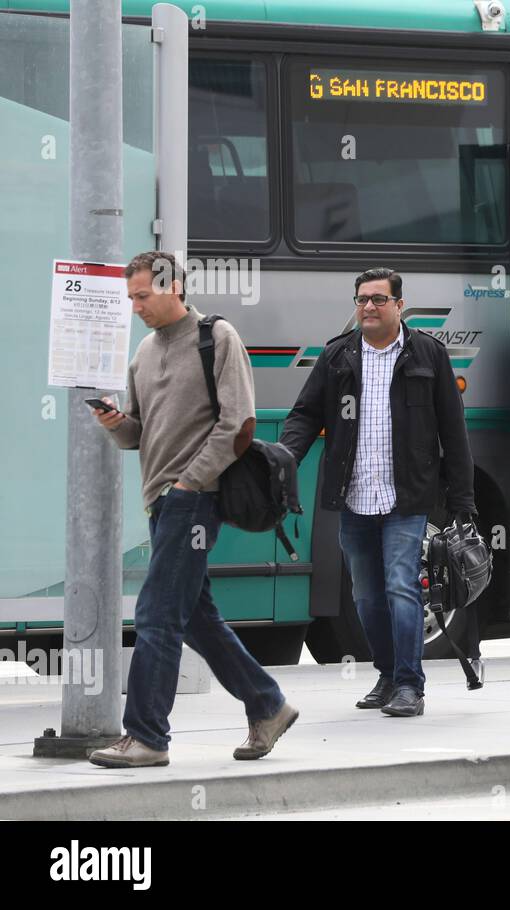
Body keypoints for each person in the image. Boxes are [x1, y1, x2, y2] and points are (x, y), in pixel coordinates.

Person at [89, 251, 297, 768]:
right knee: (197, 619)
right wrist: (117, 425)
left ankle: (147, 736)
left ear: (174, 287)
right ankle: (268, 705)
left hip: (195, 501)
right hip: (163, 500)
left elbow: (238, 424)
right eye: (131, 297)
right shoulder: (143, 350)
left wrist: (188, 484)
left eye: (143, 295)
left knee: (157, 615)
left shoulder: (217, 337)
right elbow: (139, 434)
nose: (135, 306)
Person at [280, 267, 477, 716]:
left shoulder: (428, 354)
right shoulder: (337, 356)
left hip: (407, 498)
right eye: (362, 299)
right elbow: (305, 415)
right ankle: (387, 675)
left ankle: (411, 685)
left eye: (379, 299)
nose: (368, 306)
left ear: (399, 305)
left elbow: (454, 430)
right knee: (365, 596)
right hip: (352, 497)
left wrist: (463, 503)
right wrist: (286, 455)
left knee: (401, 588)